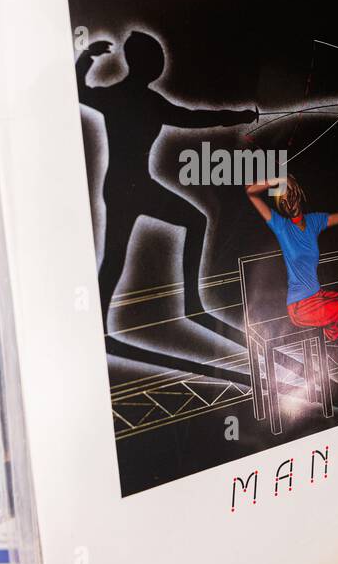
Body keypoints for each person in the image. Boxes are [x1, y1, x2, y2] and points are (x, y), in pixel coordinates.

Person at [76, 32, 256, 343]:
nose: (158, 65)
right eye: (155, 59)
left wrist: (237, 117)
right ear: (144, 63)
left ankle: (191, 304)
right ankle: (107, 326)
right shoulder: (128, 98)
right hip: (125, 190)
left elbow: (193, 118)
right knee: (117, 257)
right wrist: (86, 56)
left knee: (189, 223)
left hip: (131, 187)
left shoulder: (142, 100)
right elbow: (80, 91)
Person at [245, 165, 338, 409]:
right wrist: (280, 178)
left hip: (318, 297)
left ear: (299, 194)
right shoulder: (281, 226)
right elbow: (250, 191)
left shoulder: (314, 222)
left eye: (292, 195)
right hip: (300, 306)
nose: (289, 202)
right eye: (284, 200)